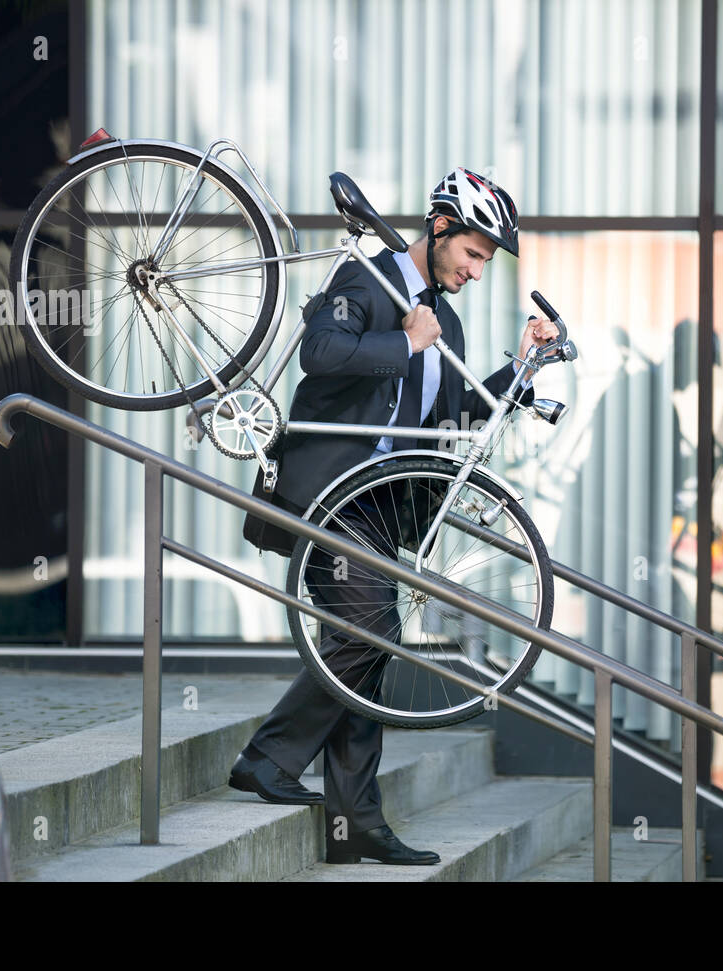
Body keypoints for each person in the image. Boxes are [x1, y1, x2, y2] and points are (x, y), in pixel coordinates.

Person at [233, 168, 560, 865]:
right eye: (471, 253)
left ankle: (354, 822)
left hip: (381, 504)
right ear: (439, 228)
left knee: (368, 644)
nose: (475, 271)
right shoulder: (371, 281)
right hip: (328, 493)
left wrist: (523, 369)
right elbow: (318, 355)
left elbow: (455, 419)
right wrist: (404, 343)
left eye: (485, 262)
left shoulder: (450, 325)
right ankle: (270, 757)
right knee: (374, 629)